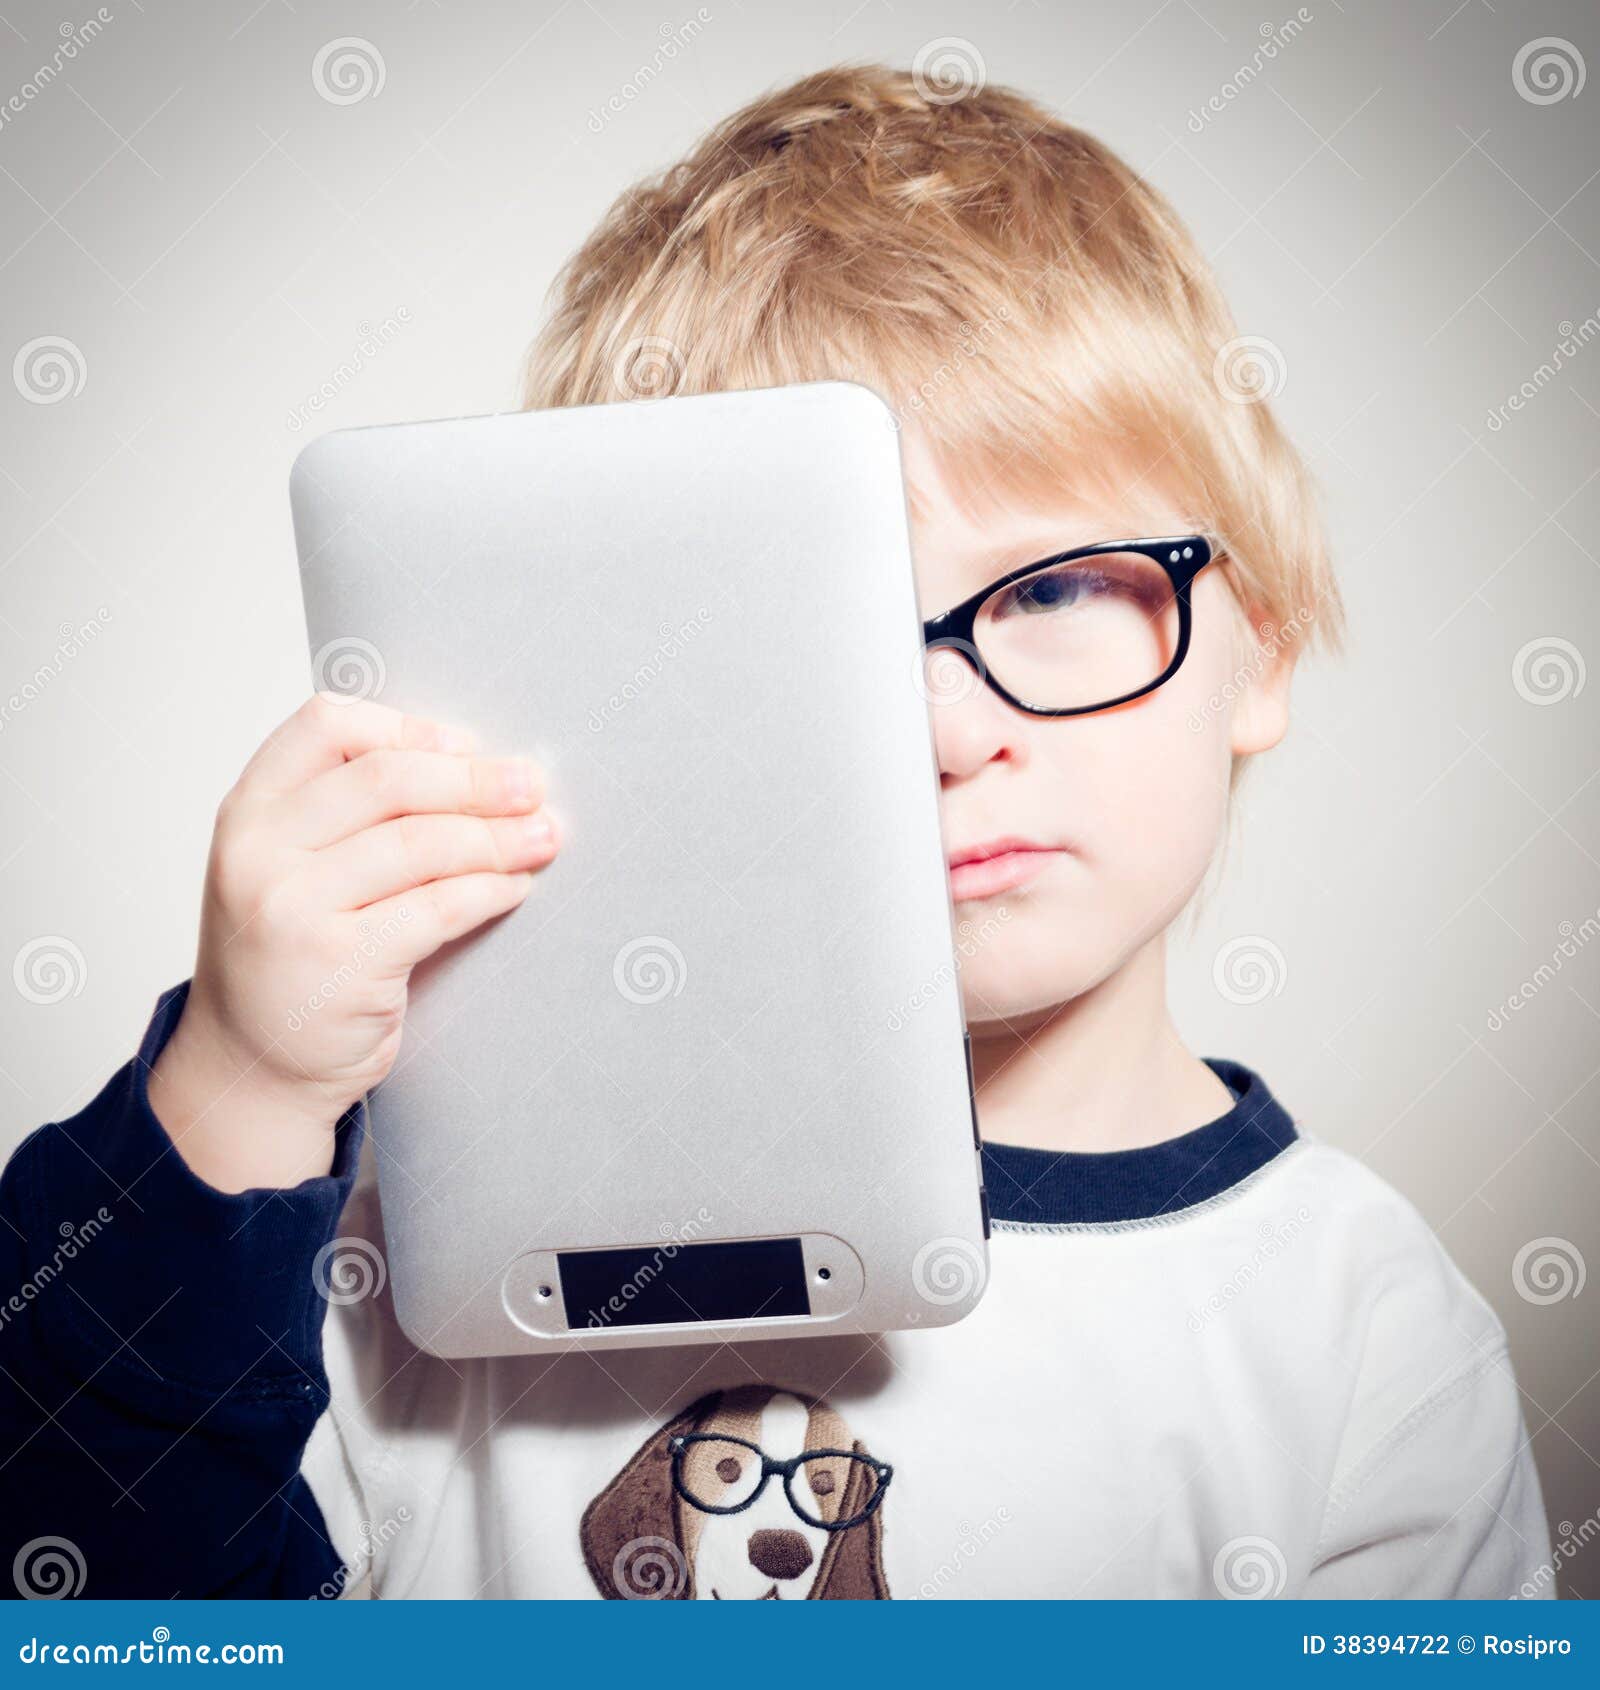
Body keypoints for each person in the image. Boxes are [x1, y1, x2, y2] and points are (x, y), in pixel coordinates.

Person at [0, 63, 1550, 1600]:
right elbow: (89, 1605)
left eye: (1061, 587)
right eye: (819, 637)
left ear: (1259, 649)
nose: (949, 731)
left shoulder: (1370, 1336)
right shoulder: (428, 1266)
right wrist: (237, 1091)